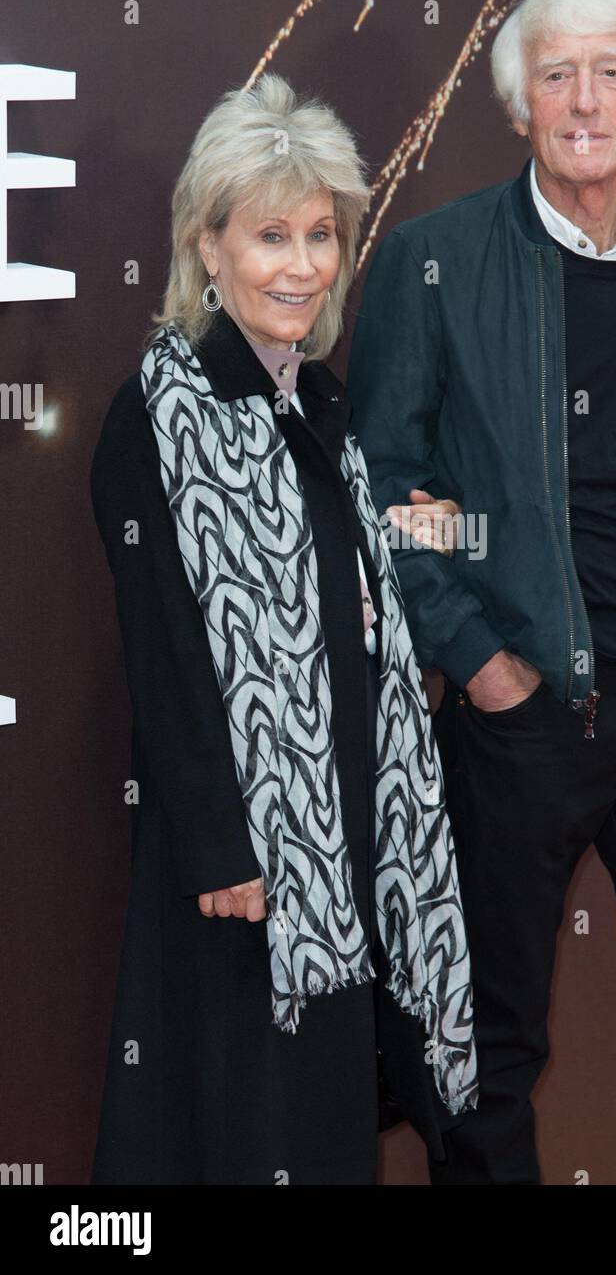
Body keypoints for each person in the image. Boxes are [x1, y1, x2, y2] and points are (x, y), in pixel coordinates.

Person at [347, 0, 616, 1185]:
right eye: (555, 75)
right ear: (518, 102)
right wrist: (479, 662)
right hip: (522, 709)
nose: (582, 100)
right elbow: (381, 489)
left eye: (606, 73)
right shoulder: (435, 261)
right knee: (484, 1045)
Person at [90, 73, 477, 1185]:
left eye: (321, 234)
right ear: (206, 247)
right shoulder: (157, 411)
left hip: (343, 826)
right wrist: (222, 841)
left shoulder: (317, 400)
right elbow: (162, 649)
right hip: (236, 850)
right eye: (270, 235)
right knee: (228, 1117)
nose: (302, 265)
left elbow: (334, 607)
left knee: (315, 1124)